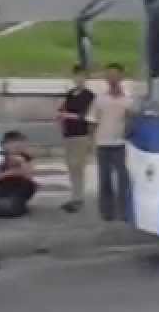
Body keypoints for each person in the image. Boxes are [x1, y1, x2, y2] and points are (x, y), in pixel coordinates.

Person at [88, 63, 133, 222]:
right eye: (109, 75)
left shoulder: (128, 100)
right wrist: (90, 142)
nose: (112, 78)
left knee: (123, 179)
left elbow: (132, 121)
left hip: (121, 145)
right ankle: (107, 212)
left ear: (121, 77)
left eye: (115, 75)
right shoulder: (99, 100)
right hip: (103, 144)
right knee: (105, 179)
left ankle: (124, 211)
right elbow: (92, 121)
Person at [57, 65, 95, 213]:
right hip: (69, 134)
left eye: (82, 76)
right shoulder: (70, 94)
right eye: (77, 76)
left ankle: (78, 199)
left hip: (81, 134)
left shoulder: (89, 95)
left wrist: (67, 116)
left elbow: (86, 116)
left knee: (78, 166)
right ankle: (74, 197)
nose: (79, 79)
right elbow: (62, 109)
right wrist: (61, 118)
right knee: (71, 167)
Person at [0, 131, 36, 218]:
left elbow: (29, 176)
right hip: (1, 187)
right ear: (4, 145)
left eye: (21, 145)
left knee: (30, 185)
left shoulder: (25, 157)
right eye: (14, 145)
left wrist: (22, 162)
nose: (17, 148)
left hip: (18, 187)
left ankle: (17, 204)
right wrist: (12, 172)